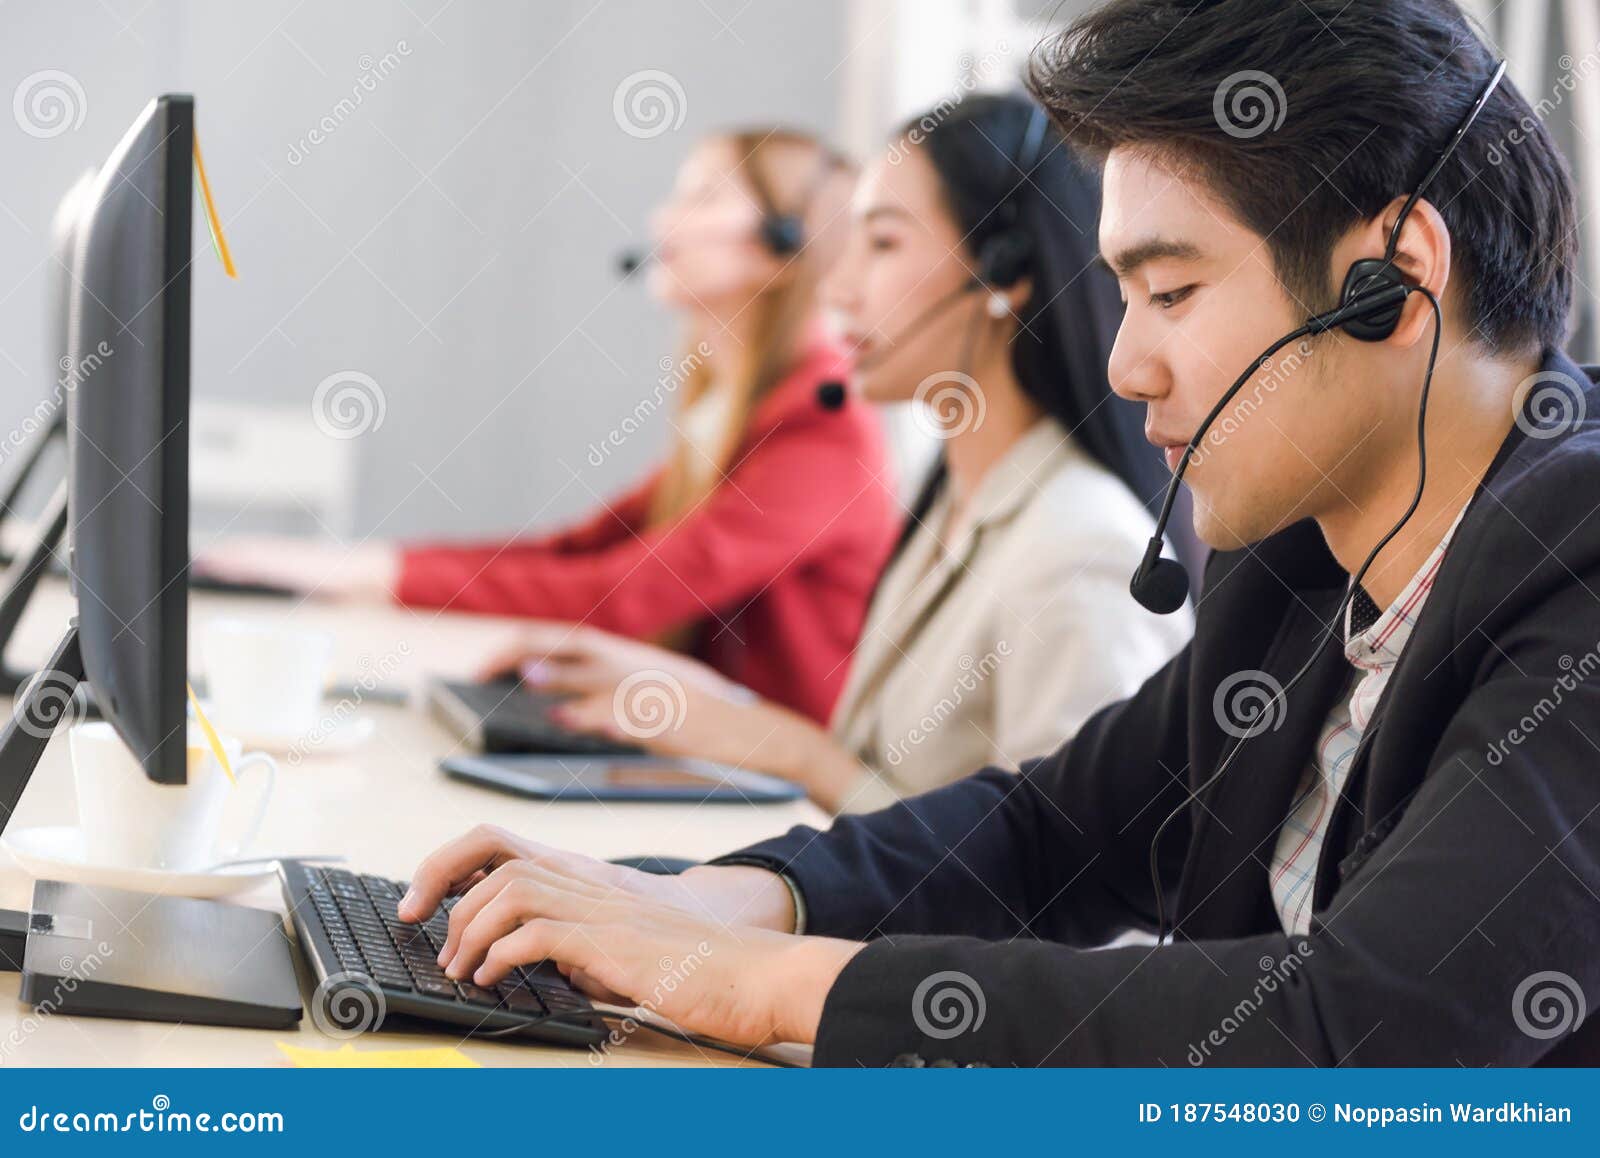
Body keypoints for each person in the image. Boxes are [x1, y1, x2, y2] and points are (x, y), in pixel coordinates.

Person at [397, 0, 1600, 1066]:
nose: (1128, 365)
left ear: (1387, 282)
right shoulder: (1300, 565)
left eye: (1171, 293)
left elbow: (1361, 1034)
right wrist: (711, 902)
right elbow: (1050, 831)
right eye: (1123, 298)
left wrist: (769, 987)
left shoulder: (1577, 579)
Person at [472, 94, 1191, 812]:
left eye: (881, 244)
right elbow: (887, 781)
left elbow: (1060, 910)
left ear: (1001, 272)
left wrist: (787, 749)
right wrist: (701, 700)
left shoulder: (1080, 556)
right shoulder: (953, 499)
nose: (840, 288)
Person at [197, 129, 899, 724]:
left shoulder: (823, 424)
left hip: (778, 786)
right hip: (694, 741)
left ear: (787, 242)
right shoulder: (735, 403)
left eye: (704, 198)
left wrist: (369, 573)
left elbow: (624, 593)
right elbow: (577, 551)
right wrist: (358, 569)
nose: (664, 221)